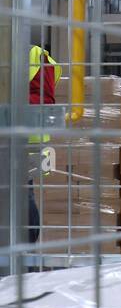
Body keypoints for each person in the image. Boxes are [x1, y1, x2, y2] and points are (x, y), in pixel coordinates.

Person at [27, 44, 60, 244]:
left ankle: (23, 255)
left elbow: (43, 102)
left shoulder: (34, 55)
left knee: (22, 198)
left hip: (24, 143)